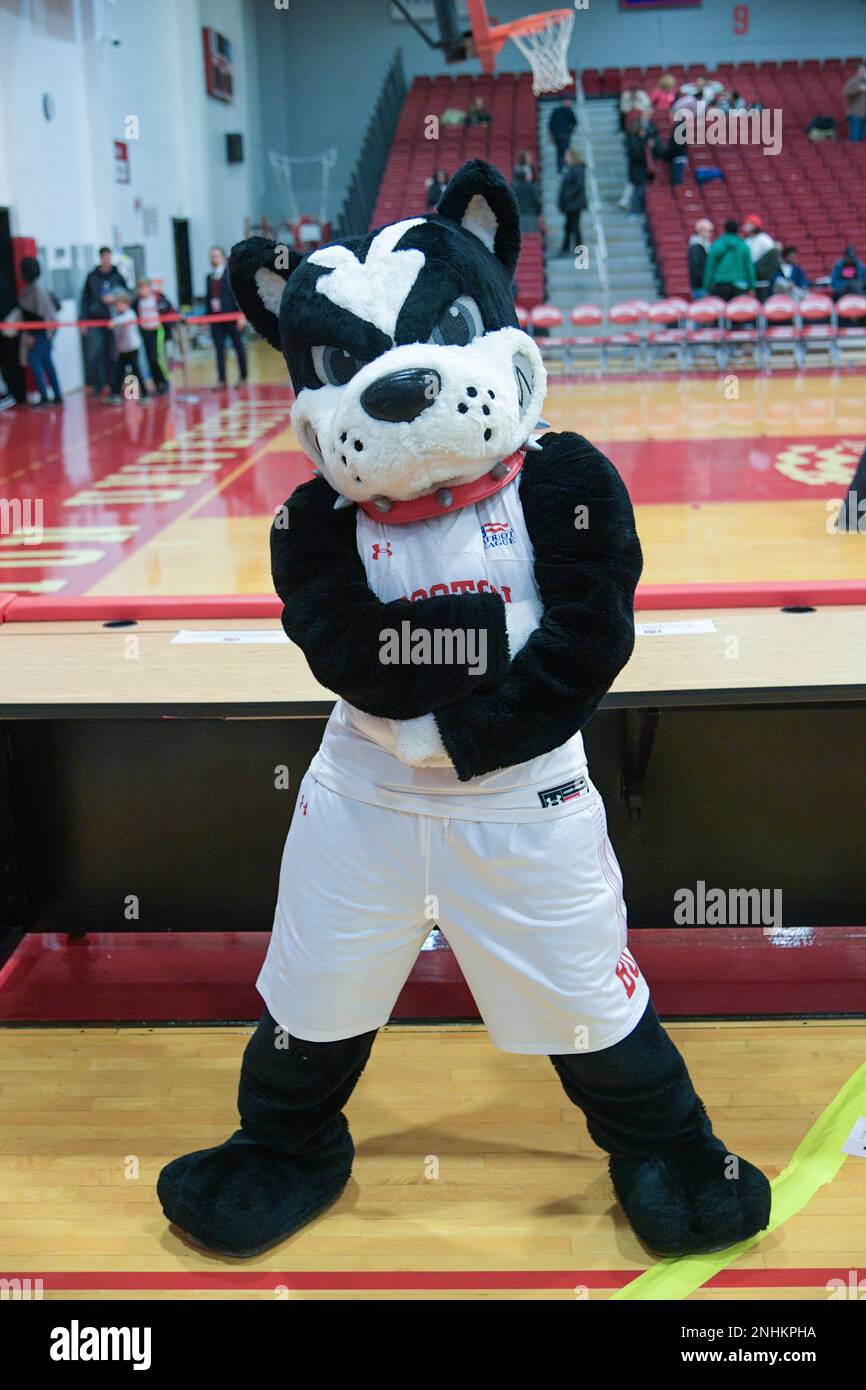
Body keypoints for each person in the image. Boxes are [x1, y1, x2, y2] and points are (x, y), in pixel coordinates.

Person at [79, 246, 128, 397]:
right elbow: (85, 299)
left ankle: (114, 383)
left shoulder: (117, 276)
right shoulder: (92, 276)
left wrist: (115, 299)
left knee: (114, 353)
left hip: (114, 319)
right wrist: (83, 320)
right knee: (96, 352)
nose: (106, 259)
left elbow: (126, 296)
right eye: (104, 257)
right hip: (96, 319)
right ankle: (99, 384)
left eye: (108, 256)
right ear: (100, 258)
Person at [18, 257, 63, 407]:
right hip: (44, 330)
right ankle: (57, 395)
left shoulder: (35, 289)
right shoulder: (38, 287)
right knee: (47, 362)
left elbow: (38, 314)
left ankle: (44, 396)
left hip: (41, 332)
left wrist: (32, 334)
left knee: (34, 360)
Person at [206, 245, 247, 388]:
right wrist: (206, 319)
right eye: (212, 256)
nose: (213, 259)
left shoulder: (231, 274)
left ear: (223, 258)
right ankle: (222, 380)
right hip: (216, 319)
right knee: (219, 350)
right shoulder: (209, 276)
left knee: (238, 347)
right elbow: (208, 298)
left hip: (232, 317)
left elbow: (240, 296)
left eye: (216, 256)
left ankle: (243, 377)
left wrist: (242, 315)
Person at [106, 292, 149, 404]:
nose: (117, 307)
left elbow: (124, 320)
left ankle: (145, 394)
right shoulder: (118, 315)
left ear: (126, 304)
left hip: (132, 348)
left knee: (136, 371)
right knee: (119, 372)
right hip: (123, 349)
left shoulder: (130, 314)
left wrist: (114, 322)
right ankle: (115, 394)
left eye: (119, 304)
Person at [134, 277, 174, 394]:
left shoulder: (156, 298)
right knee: (149, 359)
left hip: (157, 330)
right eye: (140, 288)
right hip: (145, 331)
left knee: (156, 358)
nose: (142, 290)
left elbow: (167, 307)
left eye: (144, 287)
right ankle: (157, 384)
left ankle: (164, 381)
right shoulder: (138, 301)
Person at [703, 218, 755, 300]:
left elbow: (710, 267)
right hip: (739, 286)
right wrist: (751, 286)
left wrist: (707, 286)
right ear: (737, 230)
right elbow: (749, 267)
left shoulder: (717, 245)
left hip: (720, 286)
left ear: (725, 229)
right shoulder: (743, 246)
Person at [557, 148, 587, 255]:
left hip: (575, 204)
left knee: (575, 227)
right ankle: (566, 248)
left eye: (567, 155)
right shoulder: (569, 168)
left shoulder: (577, 169)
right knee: (568, 227)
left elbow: (579, 186)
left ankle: (578, 250)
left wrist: (567, 195)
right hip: (571, 204)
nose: (565, 158)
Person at [742, 214, 779, 298]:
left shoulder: (765, 240)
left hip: (763, 283)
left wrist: (762, 272)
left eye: (748, 224)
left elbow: (772, 261)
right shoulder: (747, 241)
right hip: (748, 281)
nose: (745, 226)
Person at [624, 114, 651, 216]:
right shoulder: (634, 142)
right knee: (638, 192)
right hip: (637, 170)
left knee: (639, 191)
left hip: (637, 170)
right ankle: (634, 211)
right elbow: (639, 157)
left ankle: (635, 211)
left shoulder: (635, 141)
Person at [548, 98, 577, 170]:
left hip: (556, 135)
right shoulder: (569, 110)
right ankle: (567, 168)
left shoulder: (555, 110)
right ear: (566, 102)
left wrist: (550, 137)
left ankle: (560, 169)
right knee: (566, 151)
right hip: (565, 135)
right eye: (570, 102)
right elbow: (574, 122)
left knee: (559, 152)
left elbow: (550, 124)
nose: (571, 103)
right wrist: (571, 131)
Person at [688, 219, 714, 296]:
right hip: (700, 287)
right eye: (709, 231)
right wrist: (707, 280)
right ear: (700, 231)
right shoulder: (696, 247)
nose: (710, 233)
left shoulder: (705, 245)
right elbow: (696, 268)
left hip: (703, 286)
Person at [512, 168, 542, 234]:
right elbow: (536, 201)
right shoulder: (532, 187)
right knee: (532, 239)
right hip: (531, 216)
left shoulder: (514, 188)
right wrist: (539, 213)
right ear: (525, 176)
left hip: (519, 217)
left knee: (522, 240)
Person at [842, 62, 866, 141]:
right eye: (861, 71)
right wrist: (858, 89)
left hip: (864, 114)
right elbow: (846, 93)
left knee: (861, 138)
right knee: (854, 138)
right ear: (857, 72)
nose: (863, 73)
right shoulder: (852, 81)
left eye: (864, 71)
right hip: (855, 114)